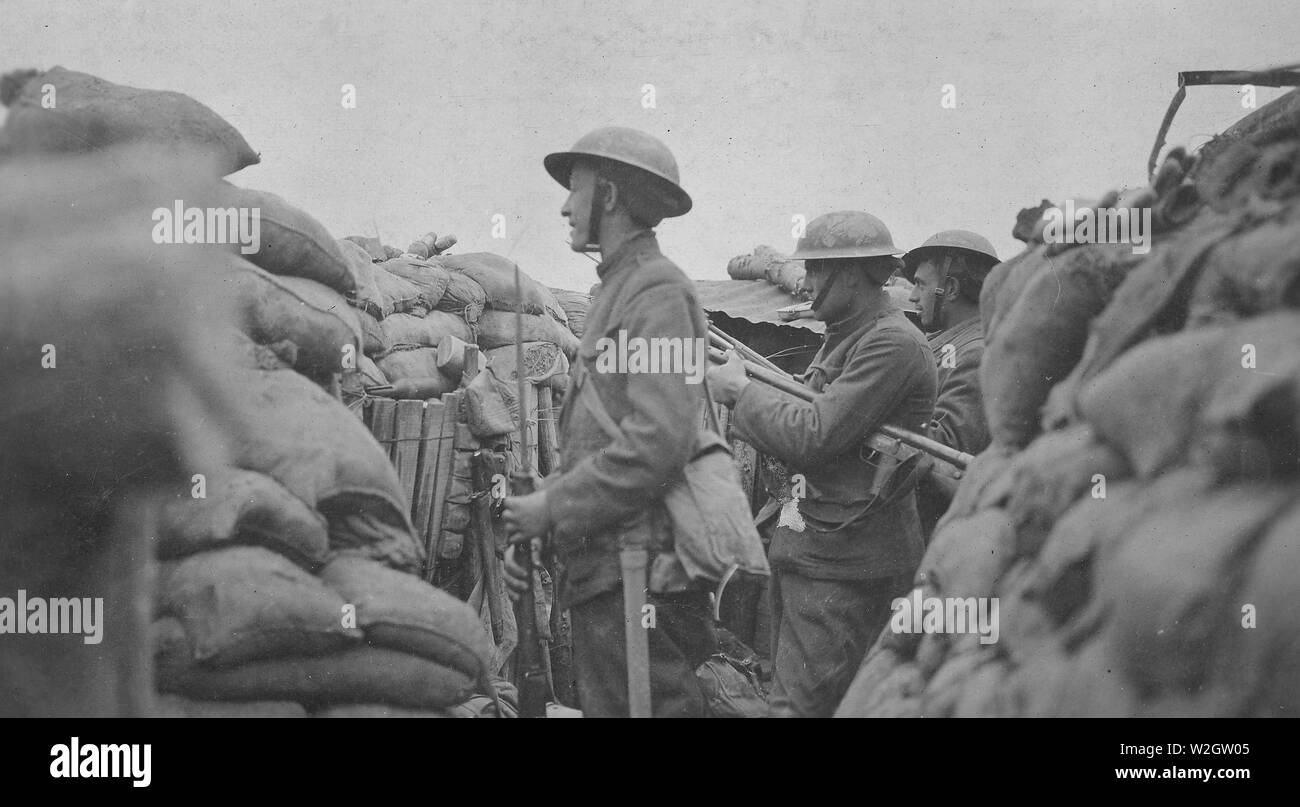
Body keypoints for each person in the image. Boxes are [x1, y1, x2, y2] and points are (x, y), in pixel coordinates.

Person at [500, 126, 715, 718]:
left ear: (612, 196)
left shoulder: (658, 292)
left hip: (640, 572)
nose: (565, 205)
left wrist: (552, 507)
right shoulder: (618, 290)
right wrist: (544, 521)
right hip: (610, 567)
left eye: (577, 189)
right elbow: (601, 444)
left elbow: (658, 443)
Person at [706, 211, 937, 718]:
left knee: (799, 709)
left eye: (814, 269)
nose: (805, 282)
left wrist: (740, 396)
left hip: (846, 564)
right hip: (821, 553)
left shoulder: (891, 343)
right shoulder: (849, 334)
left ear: (850, 274)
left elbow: (814, 436)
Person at [902, 230, 1000, 537]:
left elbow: (944, 453)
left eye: (920, 284)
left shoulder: (976, 353)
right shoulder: (952, 344)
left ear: (952, 288)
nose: (912, 296)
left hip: (935, 532)